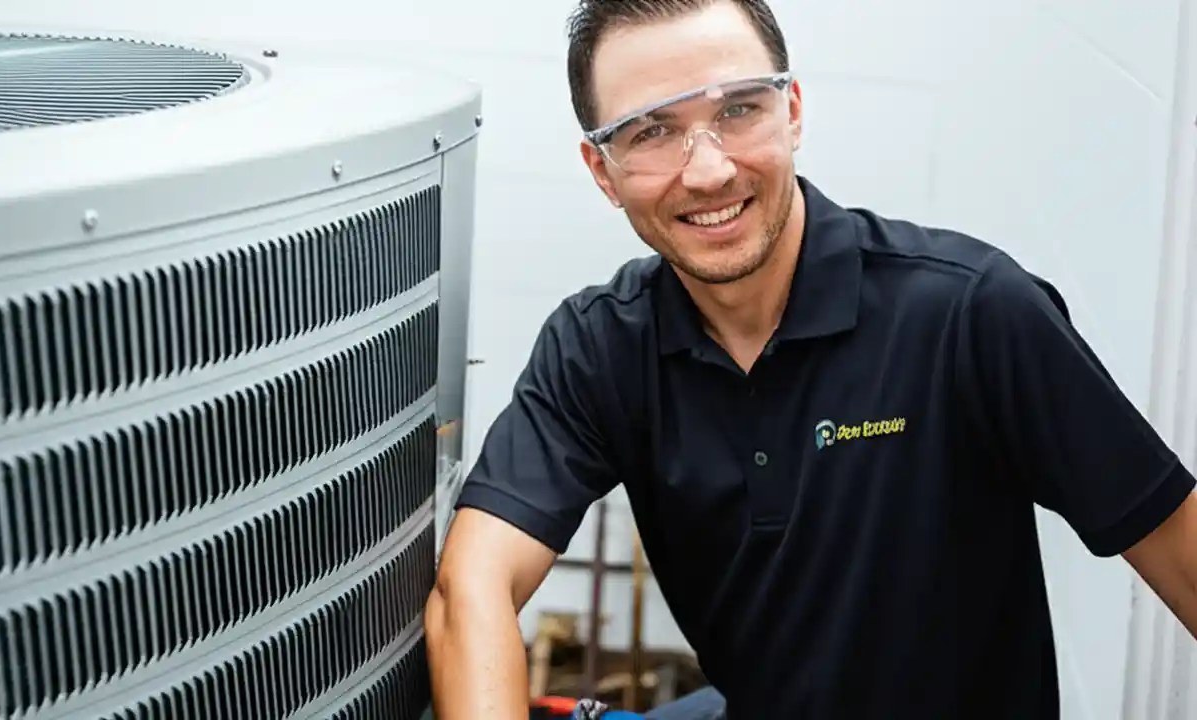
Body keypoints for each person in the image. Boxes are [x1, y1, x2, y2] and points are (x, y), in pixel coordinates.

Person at [423, 0, 1197, 717]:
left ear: (791, 114)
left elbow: (1184, 558)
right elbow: (472, 590)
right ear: (605, 173)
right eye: (651, 131)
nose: (709, 169)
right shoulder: (601, 348)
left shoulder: (969, 315)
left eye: (738, 110)